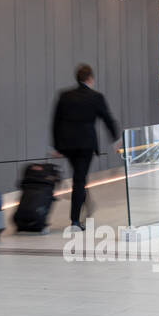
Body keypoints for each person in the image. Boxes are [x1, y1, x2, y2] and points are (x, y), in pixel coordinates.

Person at [51, 64, 121, 232]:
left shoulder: (64, 96)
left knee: (79, 178)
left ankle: (86, 206)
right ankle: (75, 221)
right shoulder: (96, 97)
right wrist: (115, 139)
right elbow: (108, 119)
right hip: (85, 146)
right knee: (79, 180)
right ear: (90, 79)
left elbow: (56, 122)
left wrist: (57, 146)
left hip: (68, 145)